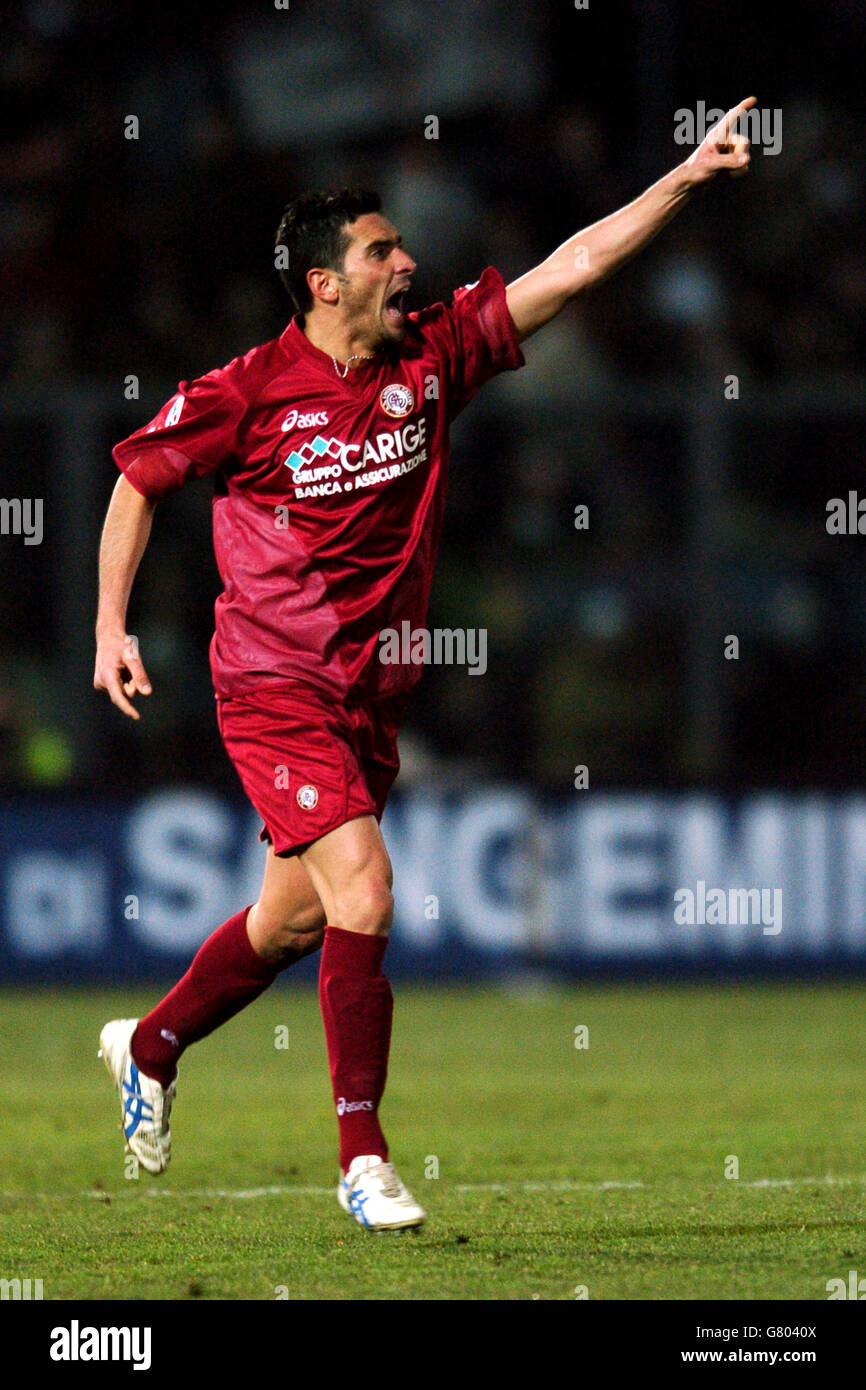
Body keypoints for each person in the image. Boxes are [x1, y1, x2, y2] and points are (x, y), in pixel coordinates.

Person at [94, 99, 754, 1231]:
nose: (407, 262)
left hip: (369, 692)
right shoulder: (246, 391)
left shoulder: (435, 352)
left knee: (292, 922)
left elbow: (576, 264)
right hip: (270, 683)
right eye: (379, 251)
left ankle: (148, 1044)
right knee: (368, 888)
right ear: (322, 284)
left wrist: (683, 177)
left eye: (399, 246)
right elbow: (138, 480)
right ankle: (363, 1154)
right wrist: (111, 625)